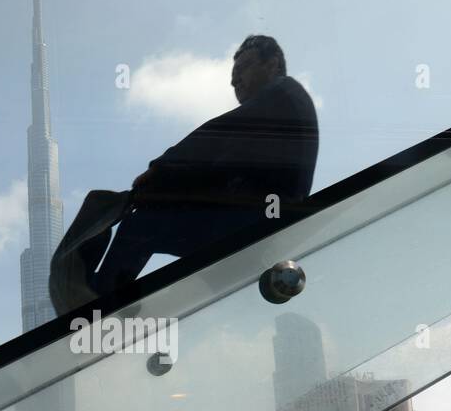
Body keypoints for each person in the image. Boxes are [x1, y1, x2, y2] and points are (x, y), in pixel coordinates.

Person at [56, 35, 318, 311]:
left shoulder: (283, 93)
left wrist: (160, 174)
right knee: (148, 219)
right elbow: (222, 165)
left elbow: (218, 140)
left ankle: (100, 302)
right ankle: (114, 298)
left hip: (258, 226)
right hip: (257, 226)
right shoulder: (276, 114)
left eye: (243, 68)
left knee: (144, 223)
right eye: (233, 74)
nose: (234, 80)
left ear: (273, 63)